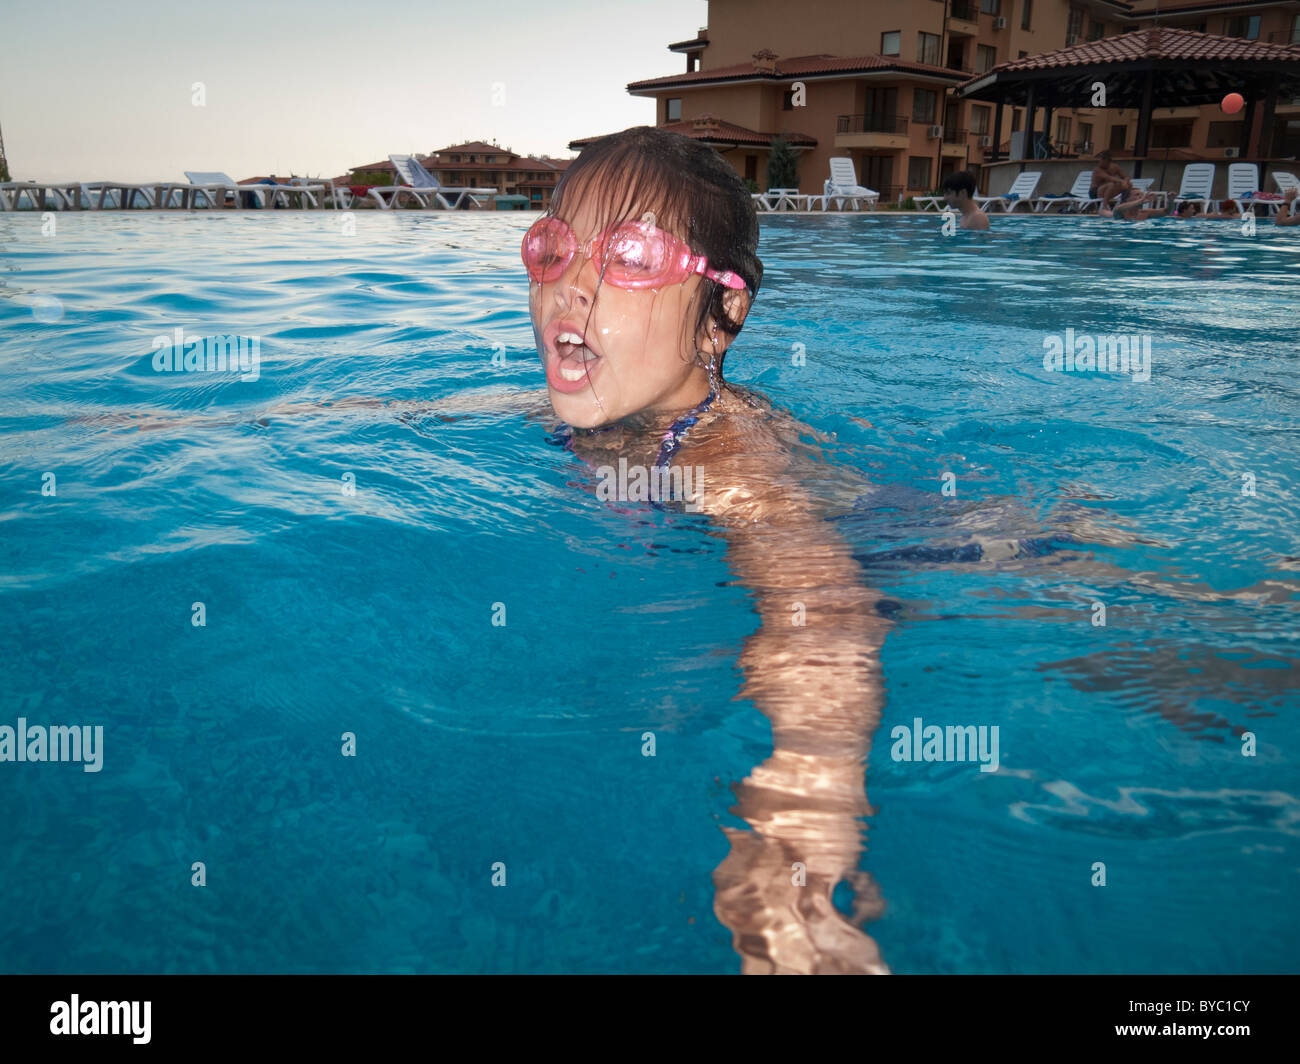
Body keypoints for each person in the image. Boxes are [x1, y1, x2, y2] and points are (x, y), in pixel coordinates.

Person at [521, 125, 893, 973]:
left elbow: (823, 613)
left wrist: (803, 806)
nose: (573, 287)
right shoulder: (596, 414)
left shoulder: (723, 458)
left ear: (720, 317)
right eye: (555, 248)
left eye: (631, 257)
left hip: (916, 548)